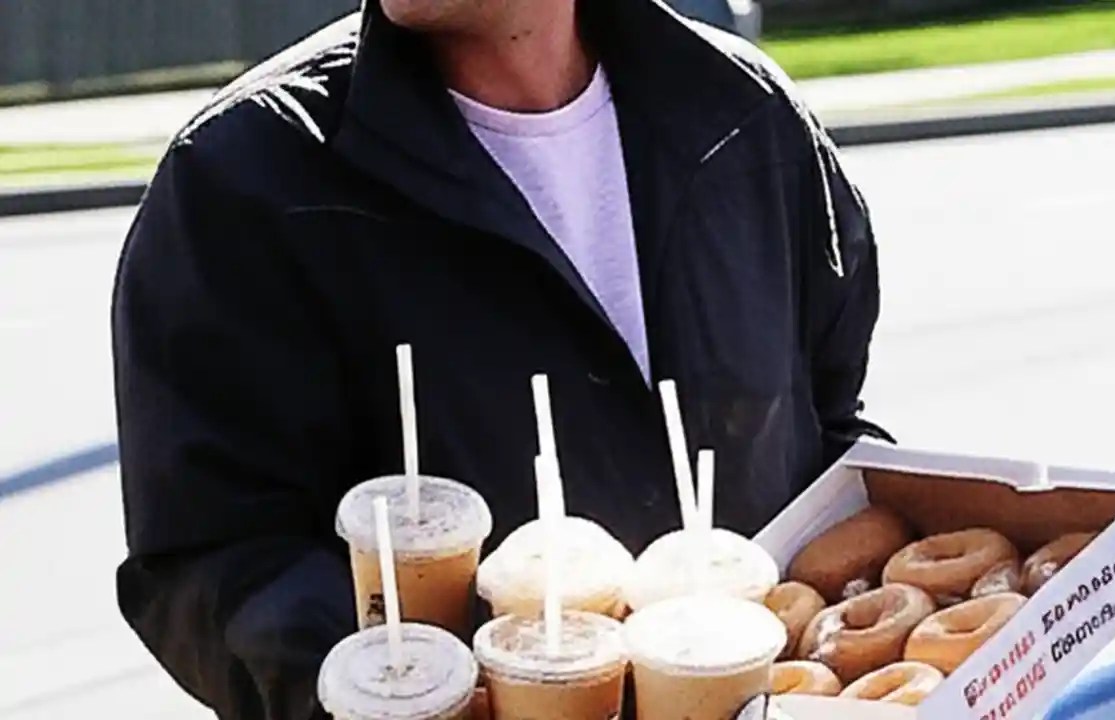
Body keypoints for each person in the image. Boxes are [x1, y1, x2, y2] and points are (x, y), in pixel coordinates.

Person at [111, 0, 889, 717]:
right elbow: (214, 557)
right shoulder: (248, 180)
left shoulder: (749, 118)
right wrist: (394, 696)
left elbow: (827, 444)